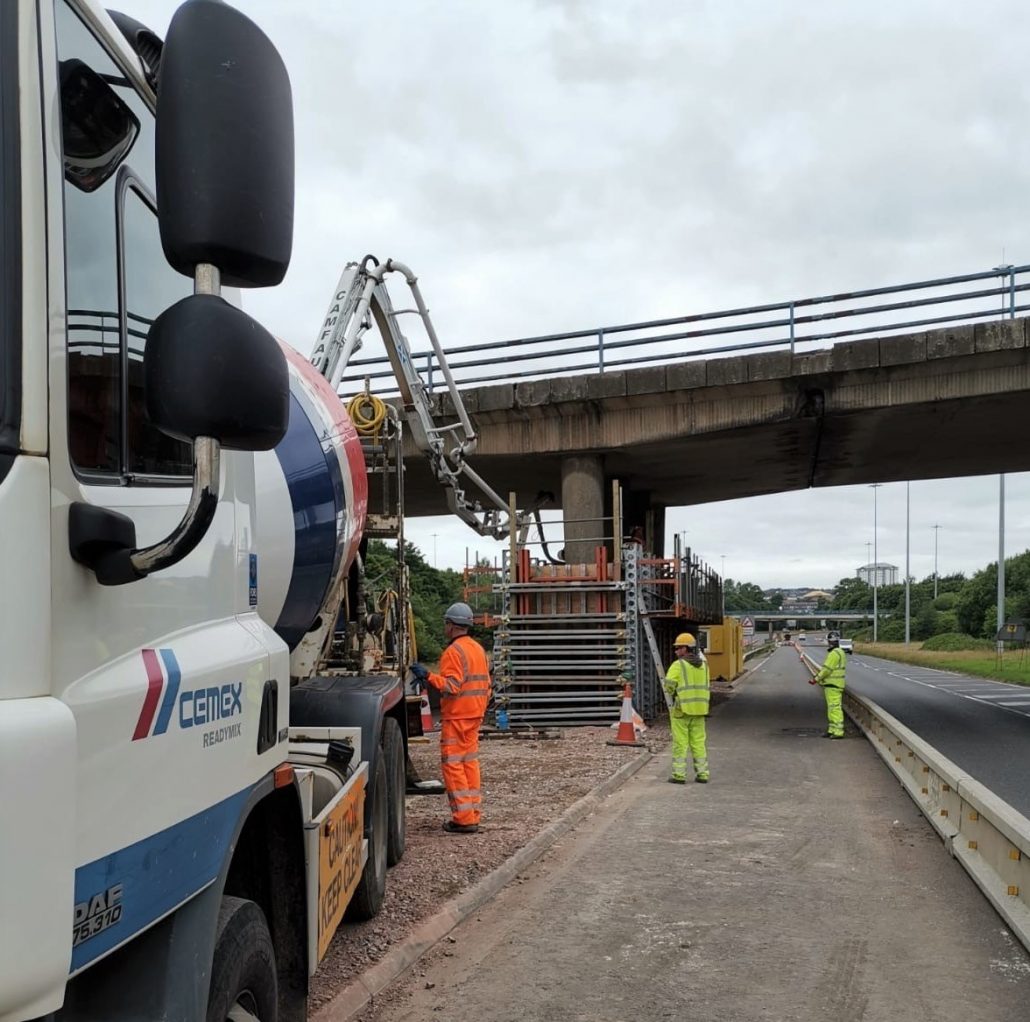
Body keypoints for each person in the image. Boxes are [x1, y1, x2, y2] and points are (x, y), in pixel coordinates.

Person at [410, 602, 491, 833]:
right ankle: (473, 813)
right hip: (475, 715)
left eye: (446, 623)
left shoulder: (453, 652)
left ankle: (463, 819)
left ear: (451, 625)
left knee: (453, 765)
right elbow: (487, 685)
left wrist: (428, 676)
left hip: (457, 717)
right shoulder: (478, 650)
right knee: (469, 764)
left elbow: (451, 686)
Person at [664, 632, 711, 784]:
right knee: (698, 743)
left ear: (685, 648)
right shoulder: (704, 665)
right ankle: (702, 774)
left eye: (678, 648)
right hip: (700, 710)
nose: (676, 651)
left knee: (680, 743)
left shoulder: (678, 665)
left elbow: (669, 686)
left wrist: (673, 692)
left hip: (682, 710)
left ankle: (679, 775)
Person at [812, 632, 846, 738]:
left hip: (833, 684)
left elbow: (827, 669)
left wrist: (816, 679)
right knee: (832, 708)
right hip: (835, 684)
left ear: (830, 641)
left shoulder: (834, 653)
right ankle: (832, 729)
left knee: (834, 708)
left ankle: (838, 732)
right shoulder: (840, 652)